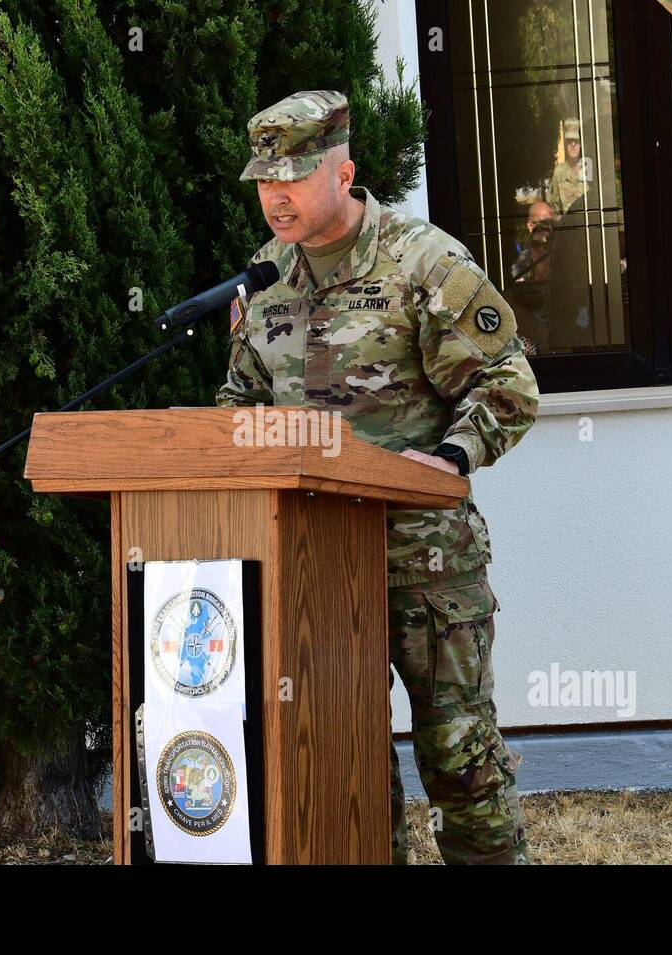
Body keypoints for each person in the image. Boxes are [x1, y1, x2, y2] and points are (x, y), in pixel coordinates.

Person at [214, 90, 540, 865]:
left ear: (345, 172)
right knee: (344, 767)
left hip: (424, 565)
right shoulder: (266, 287)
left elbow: (508, 382)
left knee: (460, 762)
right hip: (314, 569)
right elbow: (239, 404)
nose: (275, 195)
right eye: (264, 179)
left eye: (292, 176)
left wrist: (455, 456)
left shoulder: (424, 261)